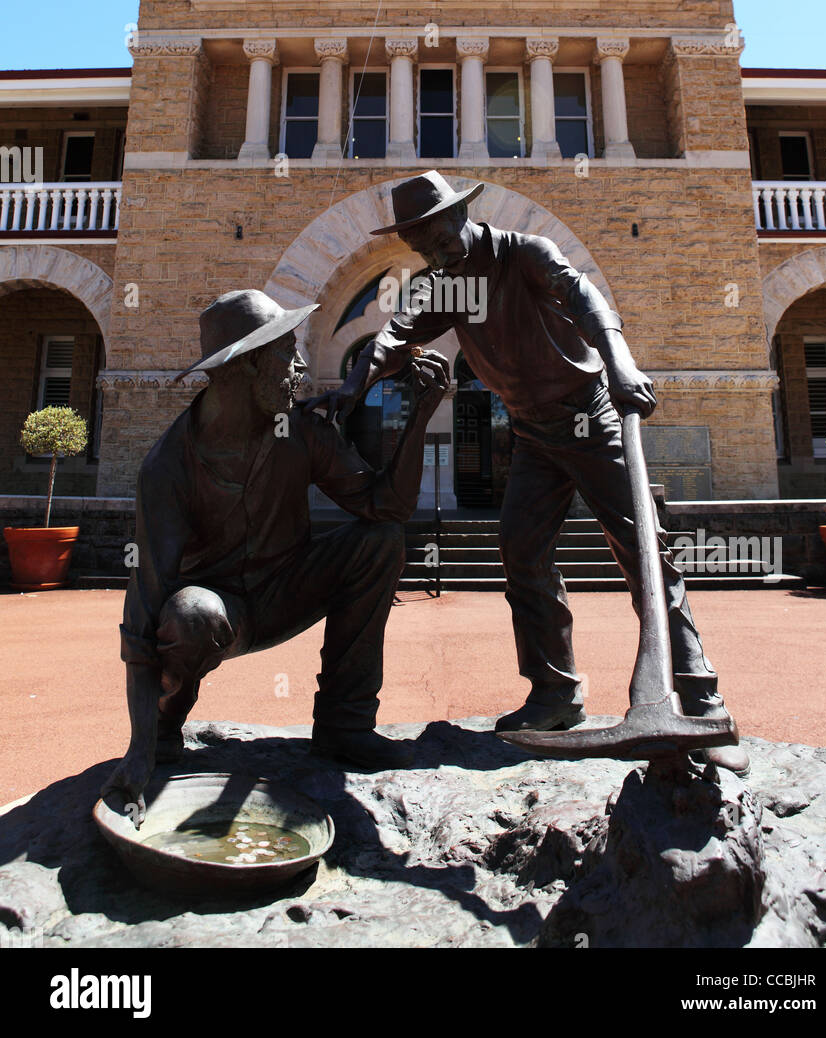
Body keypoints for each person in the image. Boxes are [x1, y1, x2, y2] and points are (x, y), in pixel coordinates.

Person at [304, 172, 749, 776]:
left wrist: (621, 363)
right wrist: (353, 385)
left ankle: (700, 697)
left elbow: (589, 303)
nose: (431, 251)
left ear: (457, 215)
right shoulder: (446, 285)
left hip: (590, 414)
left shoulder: (526, 252)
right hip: (532, 431)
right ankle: (554, 693)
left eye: (434, 235)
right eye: (420, 245)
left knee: (642, 551)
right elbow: (396, 334)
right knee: (521, 551)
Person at [103, 288, 448, 816]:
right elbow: (144, 605)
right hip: (221, 614)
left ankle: (345, 726)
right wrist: (138, 751)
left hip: (288, 589)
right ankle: (169, 723)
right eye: (287, 350)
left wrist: (420, 415)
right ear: (244, 365)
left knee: (377, 543)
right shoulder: (168, 467)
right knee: (189, 613)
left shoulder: (302, 429)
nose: (302, 365)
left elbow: (386, 508)